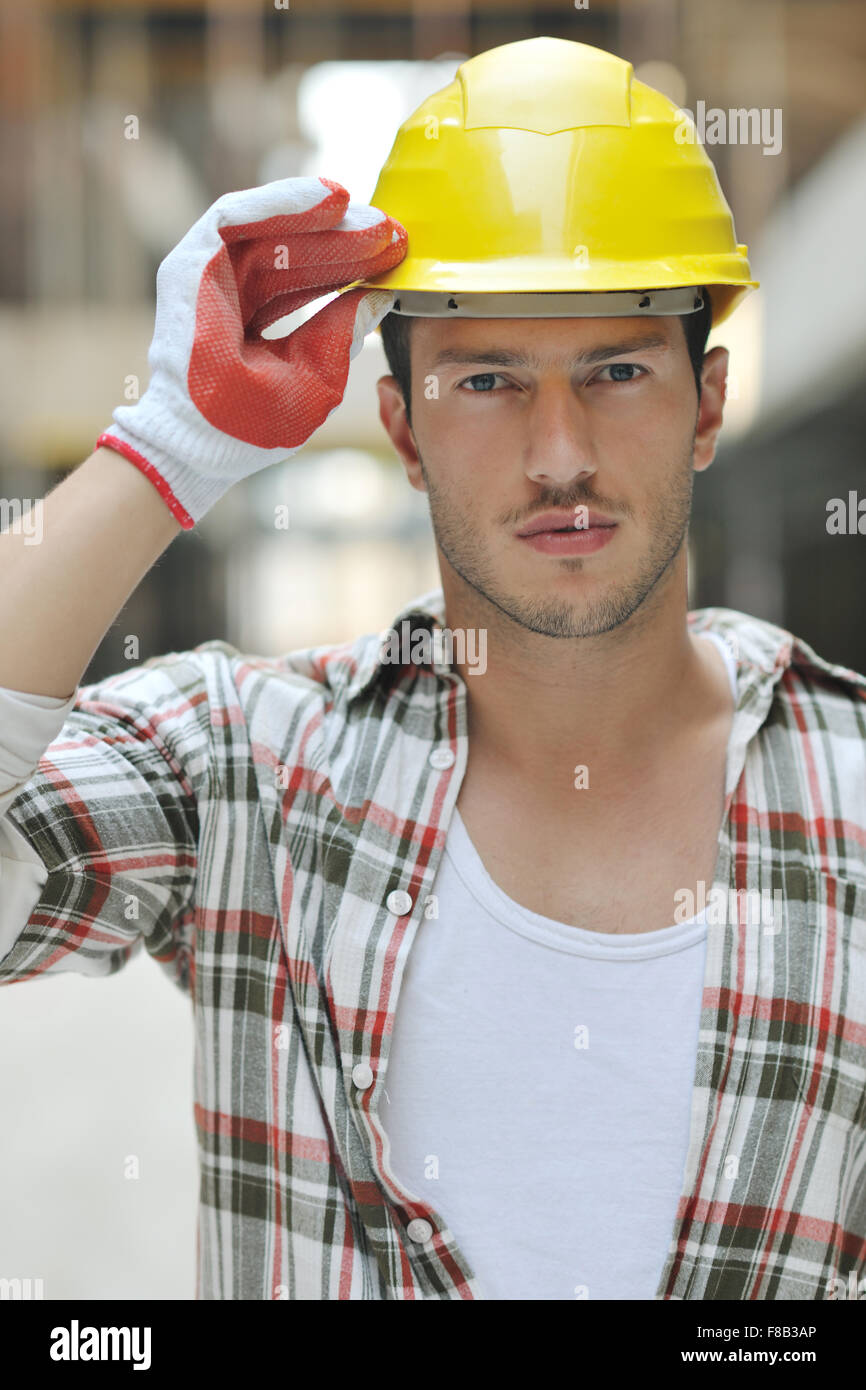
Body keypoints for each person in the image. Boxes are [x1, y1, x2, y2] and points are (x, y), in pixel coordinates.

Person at [0, 37, 863, 1303]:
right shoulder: (251, 767)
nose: (556, 452)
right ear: (399, 427)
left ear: (705, 402)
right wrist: (161, 451)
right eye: (488, 380)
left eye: (616, 370)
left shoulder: (848, 804)